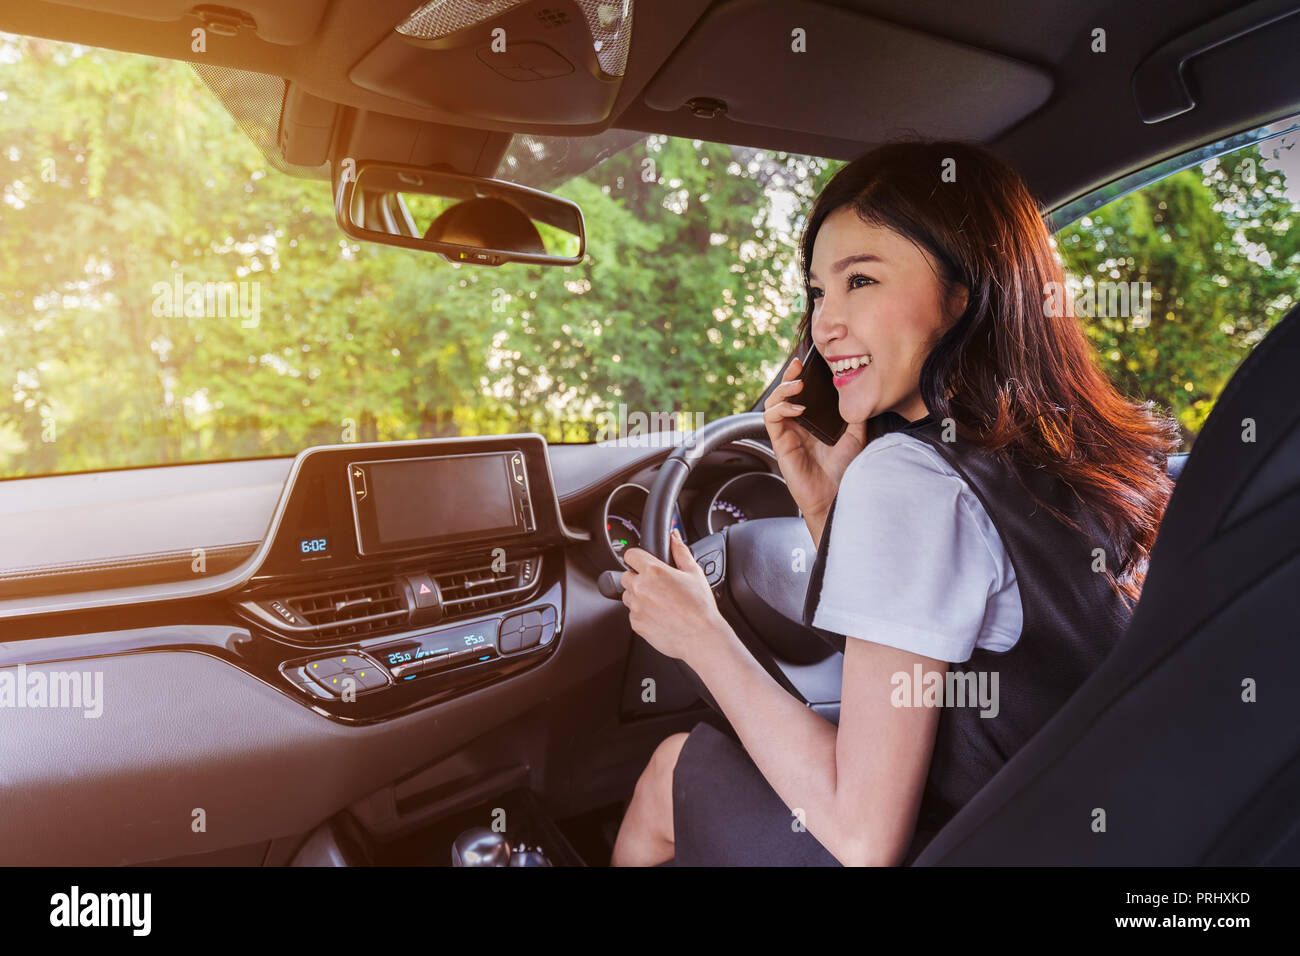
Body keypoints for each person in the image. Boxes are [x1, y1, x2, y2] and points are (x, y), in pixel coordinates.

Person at [608, 140, 1180, 867]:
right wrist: (828, 509)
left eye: (861, 280)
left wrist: (700, 635)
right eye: (818, 291)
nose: (824, 325)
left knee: (669, 773)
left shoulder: (909, 476)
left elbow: (864, 839)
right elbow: (931, 644)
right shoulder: (1069, 451)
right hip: (1103, 836)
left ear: (963, 295)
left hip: (978, 843)